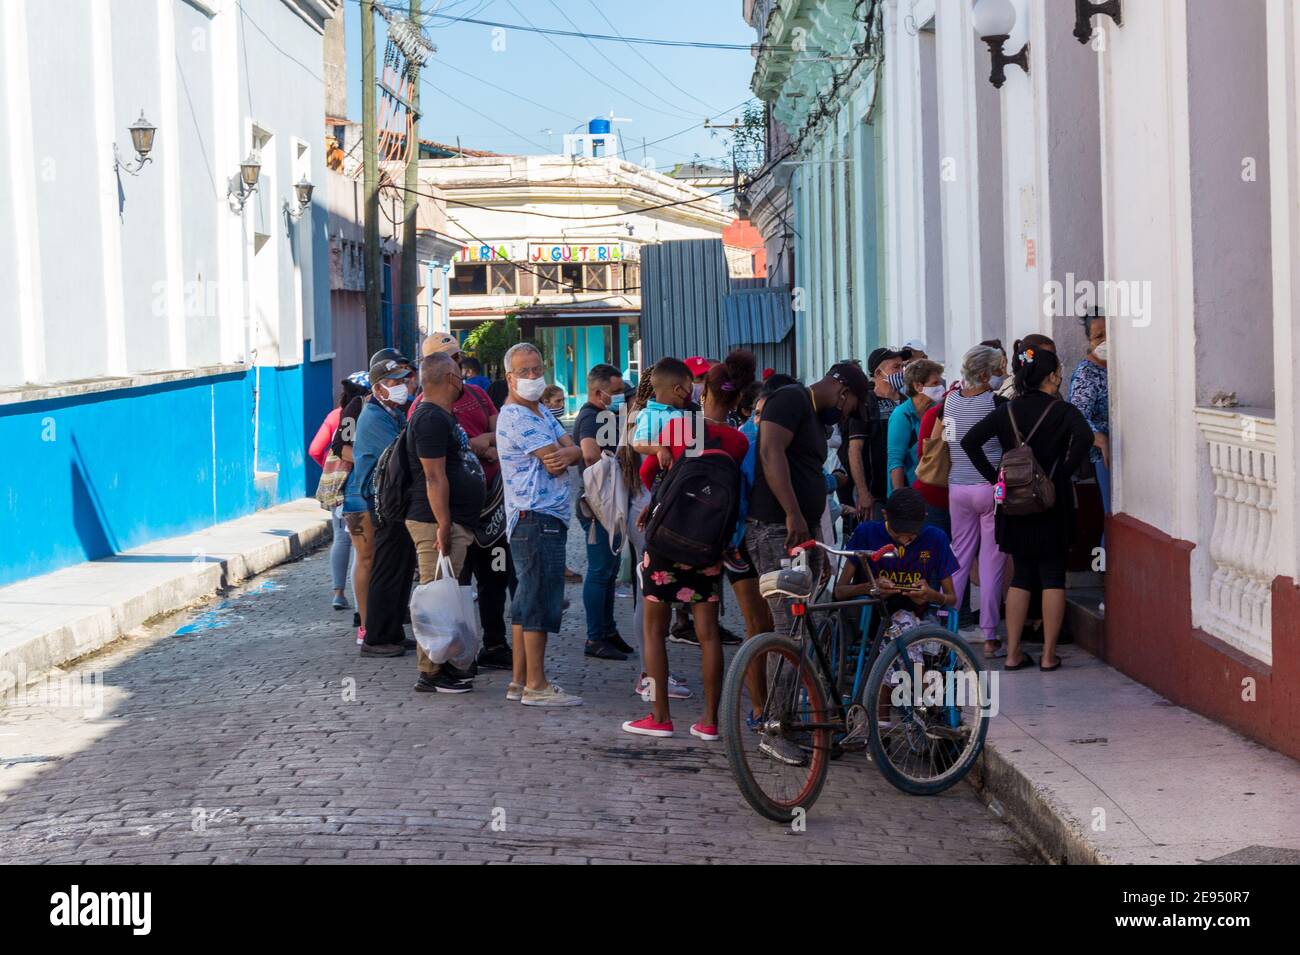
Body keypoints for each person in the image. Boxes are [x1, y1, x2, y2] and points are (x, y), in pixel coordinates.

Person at [623, 350, 756, 741]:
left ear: (702, 393)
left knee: (654, 627)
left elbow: (650, 475)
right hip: (709, 546)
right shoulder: (737, 440)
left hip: (667, 543)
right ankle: (710, 721)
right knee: (709, 633)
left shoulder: (679, 431)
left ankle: (660, 717)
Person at [961, 347, 1093, 672]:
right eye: (1057, 371)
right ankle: (1049, 655)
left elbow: (969, 441)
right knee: (1052, 575)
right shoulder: (1062, 411)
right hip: (1052, 502)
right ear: (1050, 376)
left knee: (1020, 575)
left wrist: (997, 478)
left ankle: (1013, 653)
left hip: (1014, 503)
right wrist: (1060, 473)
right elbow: (1085, 437)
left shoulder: (1006, 410)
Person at [745, 362, 870, 638]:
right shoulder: (790, 399)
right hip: (778, 527)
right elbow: (770, 451)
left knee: (799, 626)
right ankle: (783, 683)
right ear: (843, 392)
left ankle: (798, 681)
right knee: (788, 627)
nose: (845, 415)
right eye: (851, 407)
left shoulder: (811, 414)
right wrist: (792, 512)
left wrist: (817, 539)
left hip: (802, 531)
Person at [417, 335, 515, 671]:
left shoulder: (477, 394)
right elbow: (444, 457)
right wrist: (481, 445)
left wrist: (484, 443)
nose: (458, 365)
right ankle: (455, 656)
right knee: (455, 582)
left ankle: (495, 642)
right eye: (450, 359)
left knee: (495, 576)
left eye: (457, 357)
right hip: (455, 513)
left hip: (492, 505)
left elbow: (499, 433)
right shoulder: (428, 407)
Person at [496, 342, 585, 706]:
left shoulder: (541, 412)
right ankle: (537, 684)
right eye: (525, 371)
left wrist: (572, 451)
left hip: (544, 517)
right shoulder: (517, 417)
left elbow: (575, 447)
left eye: (537, 369)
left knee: (527, 598)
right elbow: (557, 459)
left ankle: (519, 681)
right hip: (535, 517)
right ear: (510, 378)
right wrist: (571, 452)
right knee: (540, 599)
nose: (533, 376)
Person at [405, 352, 487, 690]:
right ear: (451, 379)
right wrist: (443, 524)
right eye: (458, 374)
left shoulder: (443, 416)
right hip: (435, 521)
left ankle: (447, 663)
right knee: (436, 596)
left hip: (453, 521)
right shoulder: (429, 419)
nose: (462, 379)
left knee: (448, 595)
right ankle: (431, 673)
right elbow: (433, 477)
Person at [622, 368, 694, 704]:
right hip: (651, 513)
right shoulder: (648, 416)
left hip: (660, 511)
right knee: (649, 595)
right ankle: (649, 675)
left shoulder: (669, 413)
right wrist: (660, 448)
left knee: (653, 596)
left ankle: (653, 671)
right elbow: (640, 445)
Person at [342, 352, 412, 647]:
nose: (401, 385)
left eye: (402, 380)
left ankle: (389, 627)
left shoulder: (393, 413)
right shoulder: (369, 414)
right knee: (370, 560)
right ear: (377, 386)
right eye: (393, 381)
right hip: (364, 497)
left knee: (390, 564)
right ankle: (371, 628)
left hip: (381, 498)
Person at [945, 345, 1009, 656]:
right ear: (986, 373)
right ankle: (989, 635)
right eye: (1000, 369)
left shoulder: (950, 402)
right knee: (992, 561)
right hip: (990, 487)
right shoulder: (997, 404)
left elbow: (949, 441)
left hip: (957, 485)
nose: (1004, 374)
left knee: (958, 558)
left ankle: (949, 628)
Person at [573, 363, 634, 661]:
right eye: (618, 392)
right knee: (599, 572)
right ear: (600, 392)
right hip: (597, 507)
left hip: (608, 504)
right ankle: (594, 637)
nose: (622, 396)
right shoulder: (590, 416)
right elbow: (588, 452)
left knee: (608, 572)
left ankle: (608, 630)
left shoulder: (606, 416)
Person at [833, 488, 957, 623]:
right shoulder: (866, 533)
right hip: (869, 619)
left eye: (911, 536)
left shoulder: (936, 539)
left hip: (916, 622)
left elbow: (951, 598)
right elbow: (839, 591)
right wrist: (870, 587)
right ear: (884, 515)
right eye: (897, 535)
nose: (904, 542)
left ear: (925, 517)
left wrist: (931, 595)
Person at [310, 373, 369, 611]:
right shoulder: (365, 413)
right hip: (358, 486)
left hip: (338, 489)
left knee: (341, 538)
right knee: (363, 547)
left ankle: (338, 593)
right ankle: (361, 605)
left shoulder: (335, 415)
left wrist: (330, 467)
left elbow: (315, 449)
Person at [844, 347, 903, 526]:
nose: (902, 372)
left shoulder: (908, 401)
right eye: (896, 367)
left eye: (903, 367)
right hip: (876, 494)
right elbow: (854, 450)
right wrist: (863, 492)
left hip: (905, 491)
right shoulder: (866, 404)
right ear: (878, 372)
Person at [1069, 311, 1111, 521]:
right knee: (1111, 515)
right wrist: (1100, 439)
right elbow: (1077, 415)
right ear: (1089, 341)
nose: (1104, 340)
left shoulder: (1118, 366)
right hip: (1104, 458)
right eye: (1098, 336)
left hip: (1126, 452)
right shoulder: (1086, 373)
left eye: (1108, 333)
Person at [886, 359, 945, 492]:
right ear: (918, 386)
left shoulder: (938, 411)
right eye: (935, 383)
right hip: (910, 493)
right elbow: (896, 462)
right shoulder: (902, 415)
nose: (941, 387)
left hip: (935, 491)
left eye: (940, 383)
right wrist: (901, 499)